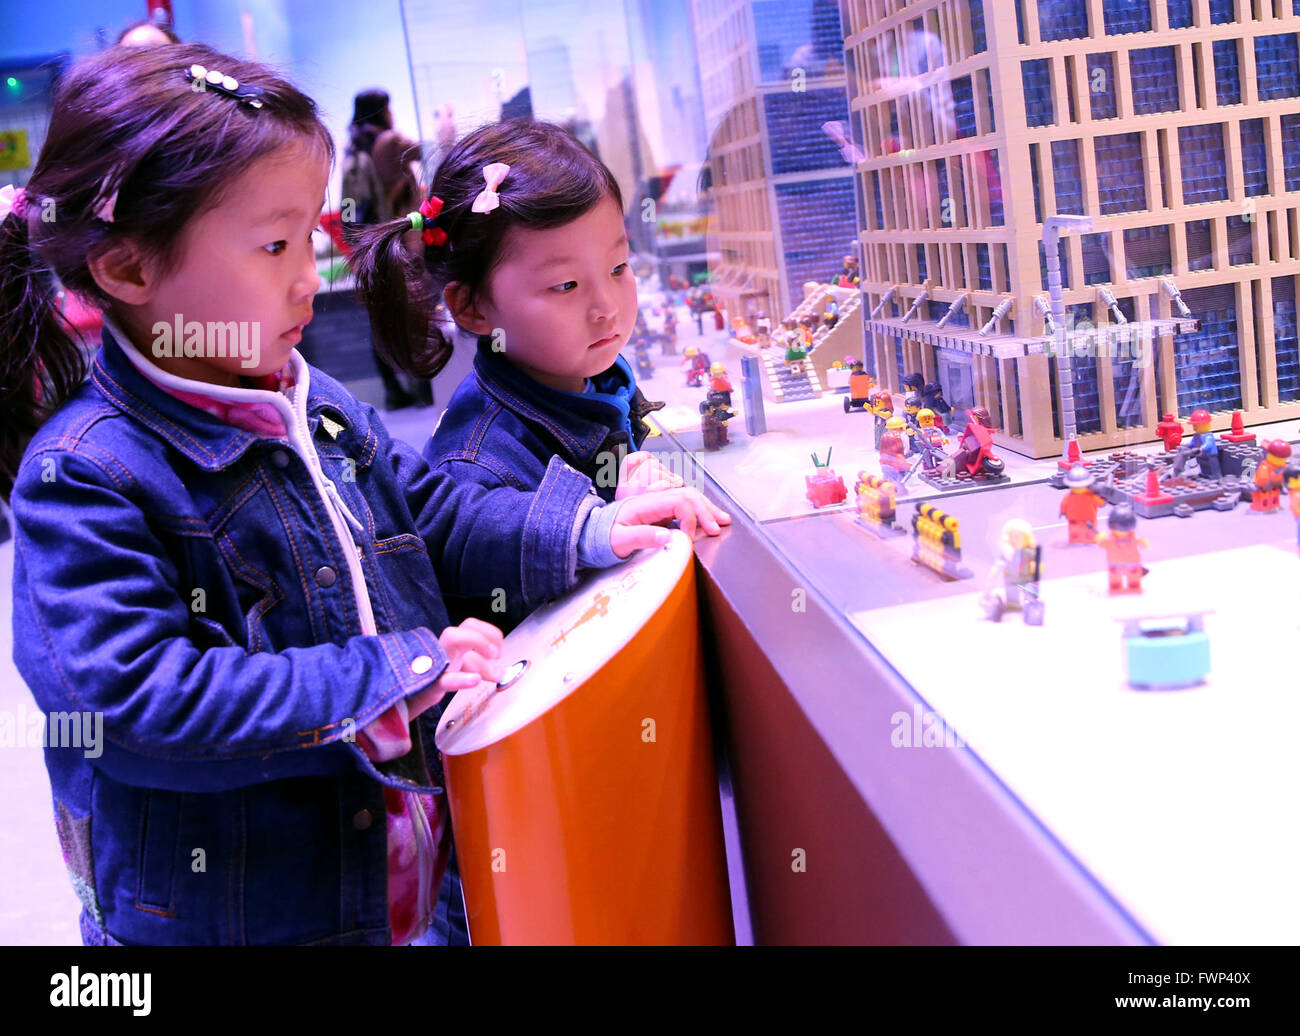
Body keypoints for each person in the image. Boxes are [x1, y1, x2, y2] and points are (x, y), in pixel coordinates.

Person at [0, 44, 727, 948]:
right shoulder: (85, 476)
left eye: (308, 240)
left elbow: (436, 513)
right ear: (130, 271)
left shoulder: (313, 402)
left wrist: (586, 527)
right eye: (275, 245)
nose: (310, 276)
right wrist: (391, 677)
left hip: (391, 893)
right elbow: (137, 704)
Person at [351, 119, 694, 631]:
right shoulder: (475, 470)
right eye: (566, 285)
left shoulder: (591, 376)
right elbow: (530, 630)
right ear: (471, 307)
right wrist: (604, 529)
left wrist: (630, 488)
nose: (606, 306)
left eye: (619, 268)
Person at [344, 89, 427, 410]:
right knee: (413, 313)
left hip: (372, 245)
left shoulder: (356, 146)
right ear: (382, 110)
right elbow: (426, 148)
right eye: (388, 107)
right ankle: (423, 385)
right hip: (400, 243)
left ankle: (393, 390)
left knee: (382, 320)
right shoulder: (390, 141)